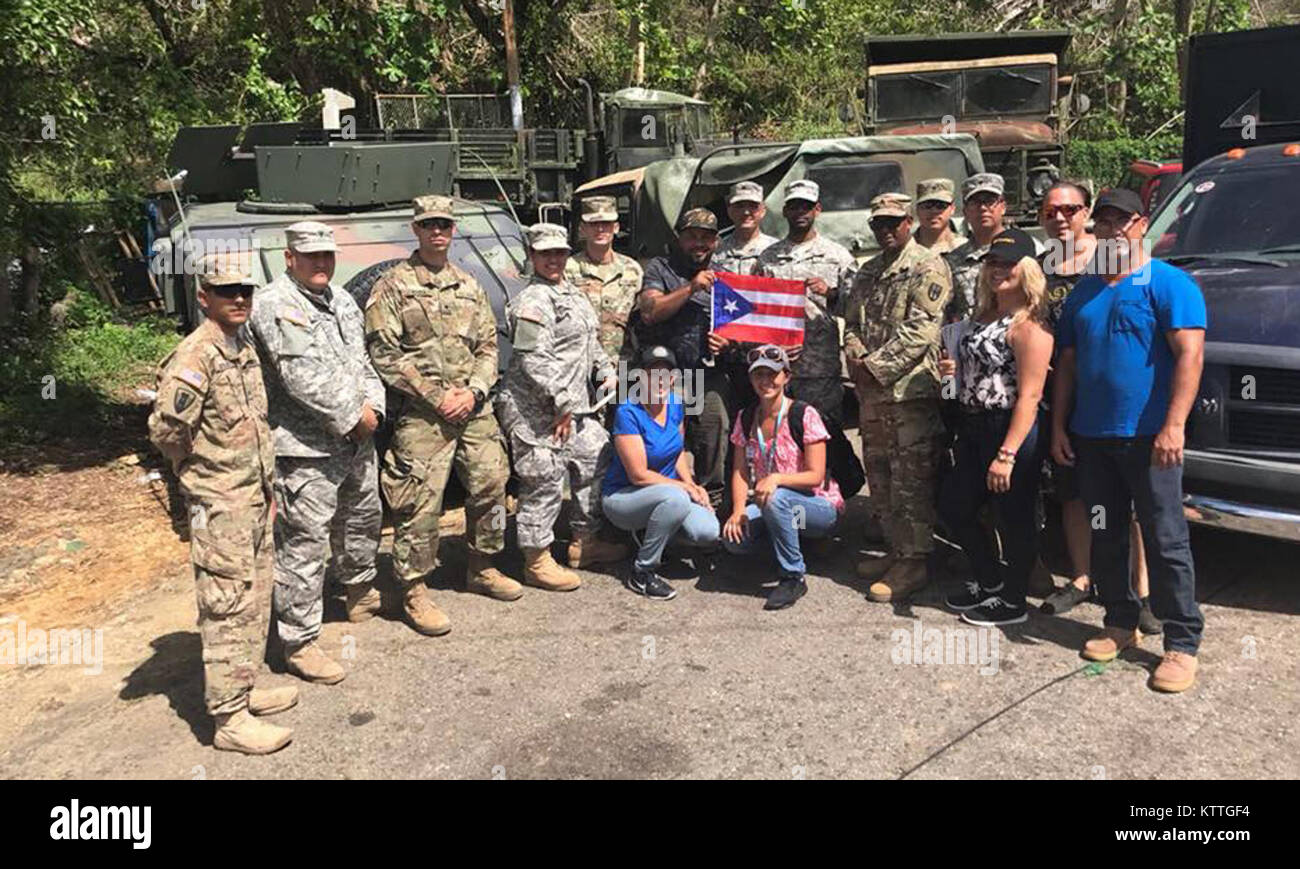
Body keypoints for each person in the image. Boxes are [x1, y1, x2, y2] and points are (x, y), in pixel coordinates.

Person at [1051, 187, 1206, 693]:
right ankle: (1120, 620)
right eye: (1104, 221)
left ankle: (1181, 642)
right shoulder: (1084, 292)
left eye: (1123, 220)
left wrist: (1174, 425)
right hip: (1092, 439)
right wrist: (1059, 426)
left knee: (1165, 538)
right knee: (1105, 531)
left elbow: (1190, 356)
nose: (1112, 229)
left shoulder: (1169, 283)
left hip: (1150, 440)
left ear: (1142, 225)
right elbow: (1067, 365)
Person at [148, 254, 294, 755]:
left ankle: (243, 689)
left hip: (254, 496)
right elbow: (167, 431)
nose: (239, 298)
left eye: (245, 290)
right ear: (203, 297)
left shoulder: (241, 346)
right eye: (227, 291)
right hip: (221, 503)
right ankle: (229, 718)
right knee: (227, 605)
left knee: (253, 597)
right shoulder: (196, 356)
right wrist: (203, 477)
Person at [364, 195, 522, 638]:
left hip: (472, 406)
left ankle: (482, 565)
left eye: (444, 224)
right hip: (422, 412)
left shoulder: (469, 285)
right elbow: (384, 352)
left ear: (453, 230)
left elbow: (488, 347)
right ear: (415, 229)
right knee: (417, 499)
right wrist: (437, 396)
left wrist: (473, 392)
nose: (437, 231)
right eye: (429, 224)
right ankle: (413, 589)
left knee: (492, 482)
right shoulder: (392, 286)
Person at [248, 221, 386, 685]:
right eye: (311, 256)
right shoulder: (274, 305)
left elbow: (363, 363)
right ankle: (299, 641)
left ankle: (358, 590)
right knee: (304, 544)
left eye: (327, 255)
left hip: (357, 439)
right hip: (306, 449)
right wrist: (355, 415)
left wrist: (375, 409)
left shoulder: (342, 300)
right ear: (290, 258)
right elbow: (301, 377)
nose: (321, 263)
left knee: (361, 519)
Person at [1037, 182, 1159, 634]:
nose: (1060, 218)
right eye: (1051, 211)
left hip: (1114, 398)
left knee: (1129, 500)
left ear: (1086, 213)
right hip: (1060, 392)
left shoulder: (1113, 259)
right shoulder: (1042, 265)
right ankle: (1082, 576)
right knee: (1072, 490)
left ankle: (1142, 590)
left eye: (1070, 209)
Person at [497, 223, 630, 590]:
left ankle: (585, 542)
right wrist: (563, 402)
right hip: (536, 411)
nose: (553, 259)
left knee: (595, 457)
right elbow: (532, 359)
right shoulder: (531, 302)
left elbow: (590, 342)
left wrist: (606, 371)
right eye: (545, 253)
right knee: (544, 478)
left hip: (575, 408)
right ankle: (536, 559)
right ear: (532, 256)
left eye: (559, 252)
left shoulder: (572, 294)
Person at [937, 228, 1054, 626]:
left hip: (1009, 428)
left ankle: (1013, 601)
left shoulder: (1029, 326)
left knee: (1014, 516)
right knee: (954, 506)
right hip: (973, 424)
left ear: (1027, 270)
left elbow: (1030, 396)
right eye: (992, 262)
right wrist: (949, 375)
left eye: (1008, 264)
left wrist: (1007, 454)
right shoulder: (980, 317)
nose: (998, 270)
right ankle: (990, 581)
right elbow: (962, 378)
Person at [843, 193, 952, 602]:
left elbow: (922, 330)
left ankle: (915, 561)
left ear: (909, 222)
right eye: (879, 223)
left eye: (893, 222)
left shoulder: (927, 265)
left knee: (911, 480)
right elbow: (851, 322)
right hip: (872, 396)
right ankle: (897, 549)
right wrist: (855, 356)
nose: (886, 229)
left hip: (909, 394)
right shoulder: (868, 270)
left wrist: (873, 367)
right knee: (882, 475)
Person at [722, 345, 843, 610]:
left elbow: (815, 476)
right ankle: (788, 541)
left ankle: (792, 576)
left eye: (772, 374)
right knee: (734, 540)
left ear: (786, 376)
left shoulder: (804, 414)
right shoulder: (745, 417)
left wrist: (776, 478)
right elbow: (740, 471)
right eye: (759, 375)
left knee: (776, 499)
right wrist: (739, 510)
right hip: (771, 503)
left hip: (815, 507)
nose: (765, 381)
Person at [601, 345, 720, 599]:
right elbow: (638, 475)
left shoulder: (675, 404)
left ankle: (652, 534)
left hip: (666, 493)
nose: (659, 380)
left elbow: (677, 453)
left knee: (708, 531)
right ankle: (642, 572)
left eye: (665, 374)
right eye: (652, 374)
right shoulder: (628, 412)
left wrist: (693, 484)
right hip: (624, 496)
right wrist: (683, 488)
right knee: (676, 499)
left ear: (674, 378)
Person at [637, 208, 735, 509]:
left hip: (707, 373)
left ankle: (711, 500)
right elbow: (650, 312)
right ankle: (661, 499)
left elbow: (737, 324)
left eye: (706, 238)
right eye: (692, 237)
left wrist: (728, 342)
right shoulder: (660, 268)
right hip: (666, 374)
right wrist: (691, 287)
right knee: (661, 439)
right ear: (679, 238)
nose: (699, 244)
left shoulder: (724, 274)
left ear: (716, 242)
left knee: (714, 430)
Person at [754, 179, 857, 425]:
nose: (800, 212)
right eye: (794, 206)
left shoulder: (837, 256)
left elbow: (857, 309)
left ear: (817, 209)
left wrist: (831, 294)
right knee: (781, 435)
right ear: (785, 211)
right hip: (777, 369)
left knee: (824, 434)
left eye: (806, 206)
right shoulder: (768, 258)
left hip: (820, 370)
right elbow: (757, 311)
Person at [564, 195, 644, 365]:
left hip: (623, 364)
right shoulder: (568, 269)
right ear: (582, 229)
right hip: (581, 364)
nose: (600, 229)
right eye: (593, 224)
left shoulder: (632, 270)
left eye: (606, 224)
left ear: (616, 227)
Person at [945, 173, 1007, 322]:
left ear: (1003, 207)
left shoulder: (1028, 250)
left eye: (990, 201)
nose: (983, 208)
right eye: (975, 202)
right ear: (965, 211)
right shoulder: (952, 260)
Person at [713, 181, 778, 276]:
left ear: (763, 211)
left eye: (753, 206)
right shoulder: (717, 251)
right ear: (729, 211)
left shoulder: (777, 250)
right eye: (739, 206)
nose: (746, 212)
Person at [913, 178, 967, 254]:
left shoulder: (964, 247)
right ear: (917, 210)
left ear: (952, 209)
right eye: (927, 206)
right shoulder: (903, 249)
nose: (934, 211)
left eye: (940, 206)